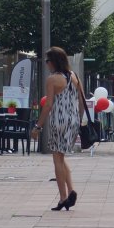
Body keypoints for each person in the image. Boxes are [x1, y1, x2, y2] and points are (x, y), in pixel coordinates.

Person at [32, 47, 86, 211]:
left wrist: (38, 126)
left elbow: (48, 105)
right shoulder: (74, 76)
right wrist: (79, 120)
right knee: (61, 157)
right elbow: (82, 100)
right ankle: (71, 191)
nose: (47, 64)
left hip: (59, 121)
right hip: (73, 121)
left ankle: (63, 198)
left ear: (53, 62)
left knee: (57, 158)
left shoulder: (53, 79)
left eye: (47, 61)